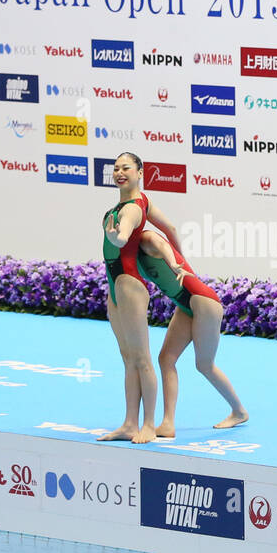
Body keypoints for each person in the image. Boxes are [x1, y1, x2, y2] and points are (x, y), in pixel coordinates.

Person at [134, 225, 249, 435]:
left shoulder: (147, 238)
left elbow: (163, 241)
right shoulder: (130, 253)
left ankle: (239, 411)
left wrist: (175, 264)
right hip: (185, 305)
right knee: (166, 359)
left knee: (204, 365)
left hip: (202, 300)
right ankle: (168, 423)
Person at [98, 153, 158, 444]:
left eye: (126, 168)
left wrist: (117, 237)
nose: (120, 173)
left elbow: (123, 236)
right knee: (128, 358)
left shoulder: (132, 209)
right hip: (114, 287)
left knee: (142, 358)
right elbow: (167, 226)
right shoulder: (123, 205)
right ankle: (129, 423)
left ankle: (149, 425)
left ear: (140, 172)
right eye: (116, 168)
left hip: (128, 284)